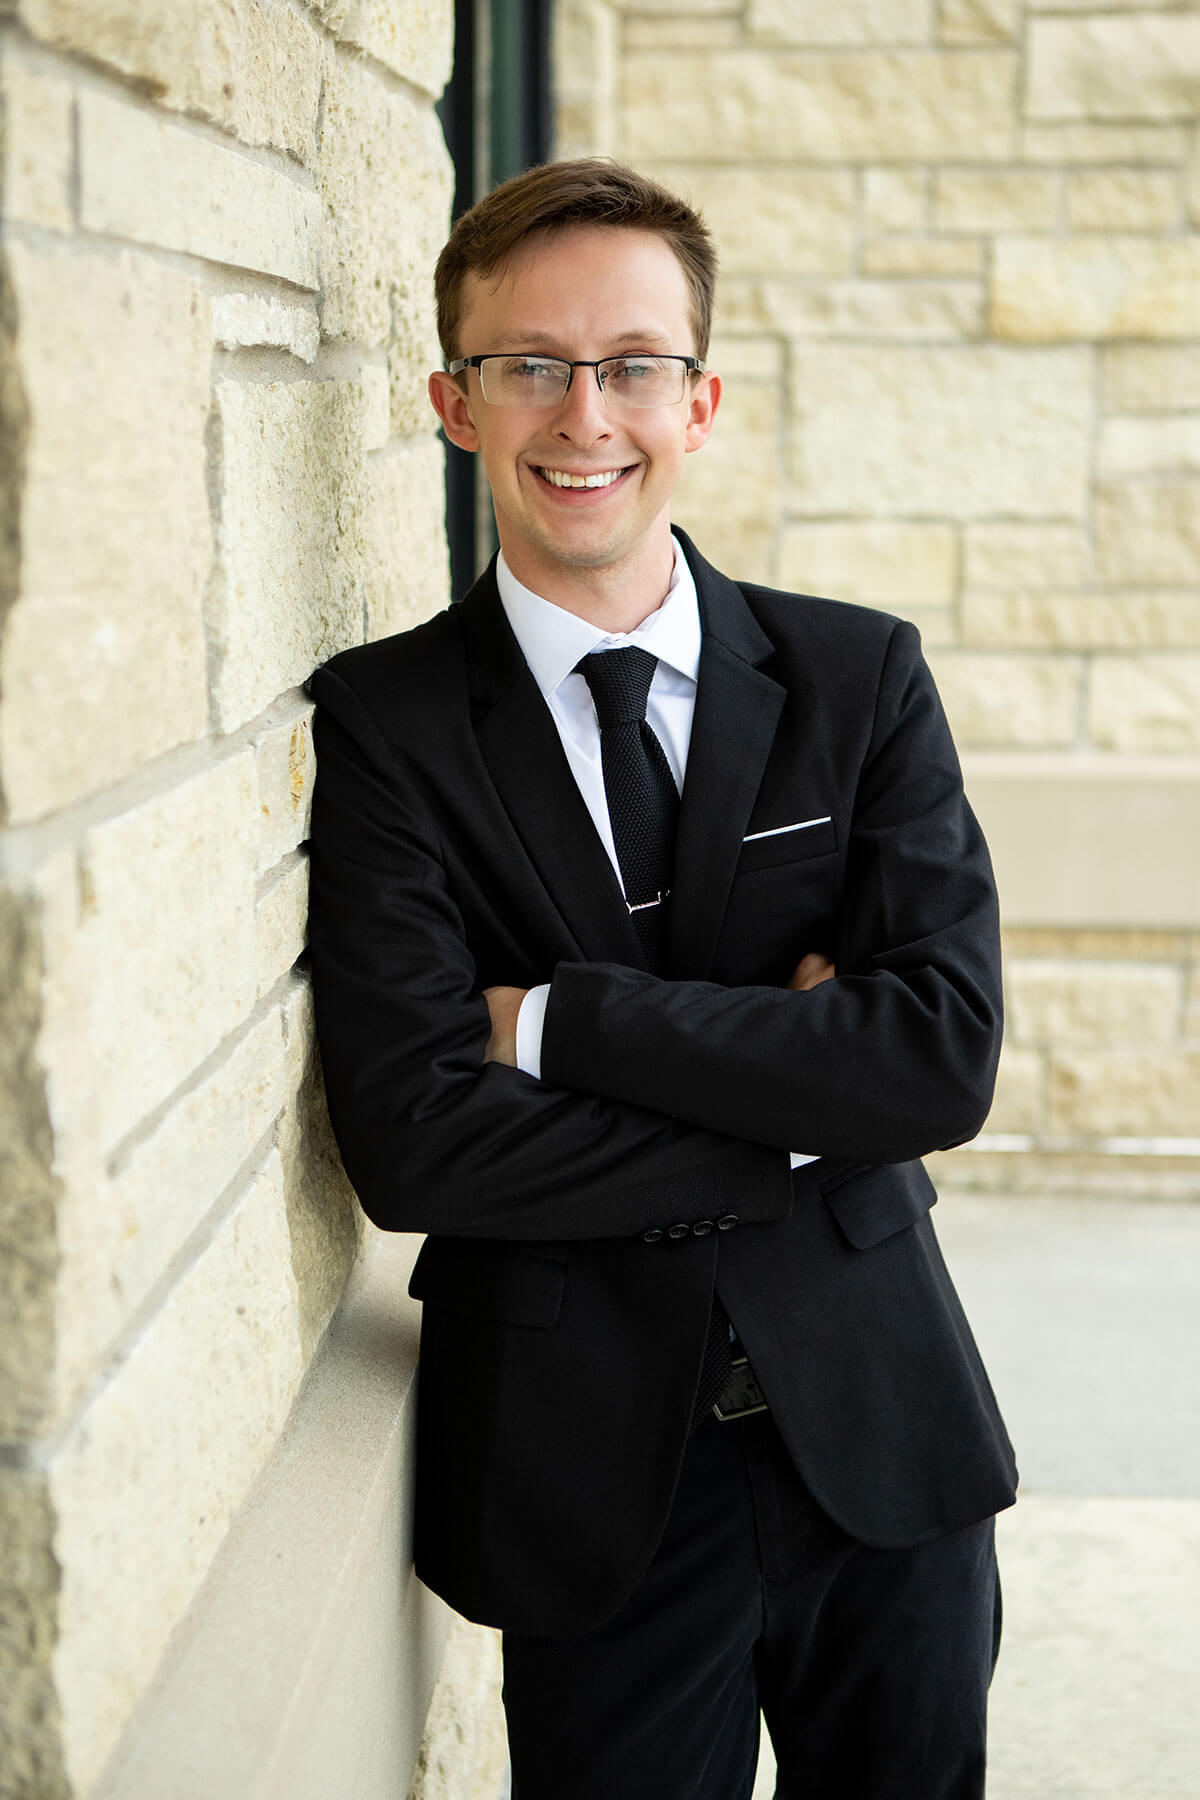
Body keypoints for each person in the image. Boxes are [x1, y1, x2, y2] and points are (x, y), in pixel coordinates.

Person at [306, 158, 1017, 1800]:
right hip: (586, 1477)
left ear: (699, 402)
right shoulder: (387, 729)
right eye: (529, 365)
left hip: (882, 1426)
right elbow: (417, 1144)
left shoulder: (857, 678)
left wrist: (561, 1026)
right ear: (454, 403)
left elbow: (938, 1061)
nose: (585, 416)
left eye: (631, 365)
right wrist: (800, 1103)